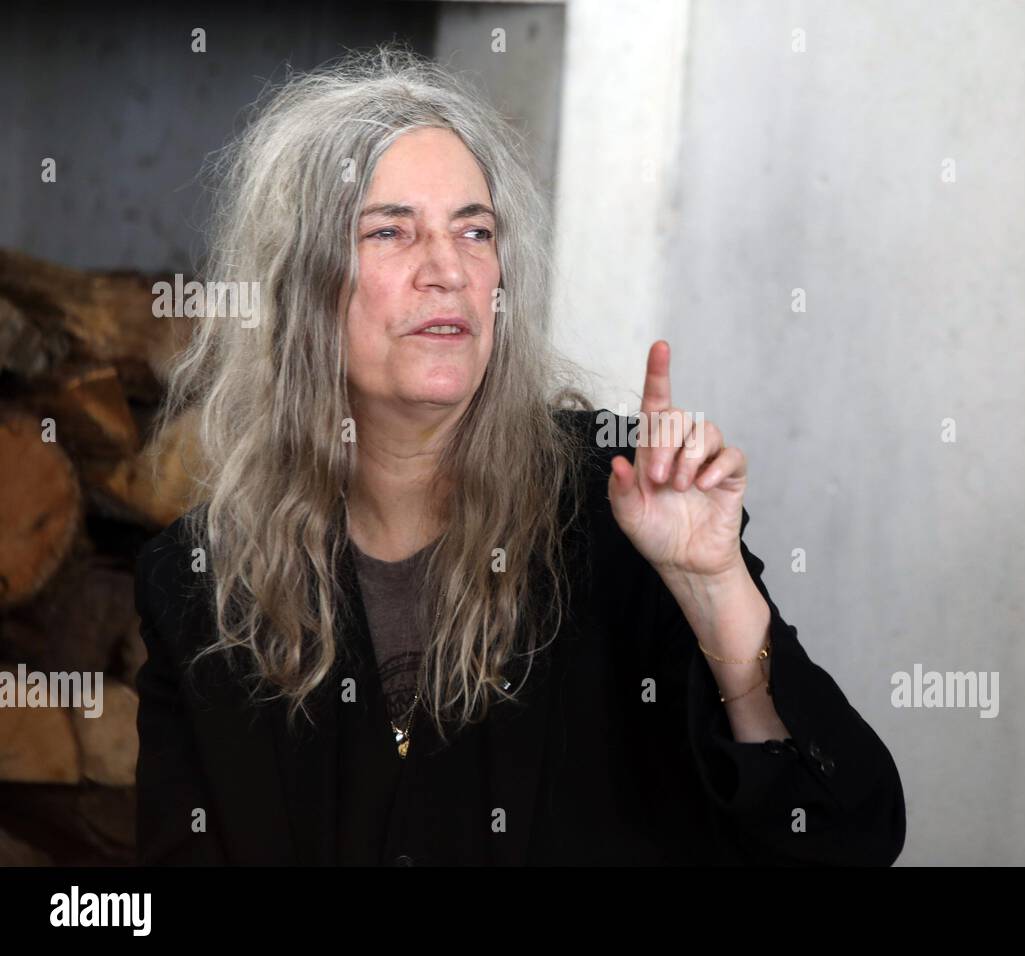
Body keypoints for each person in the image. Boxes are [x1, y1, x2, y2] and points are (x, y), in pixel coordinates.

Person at [133, 45, 905, 866]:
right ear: (300, 286)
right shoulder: (202, 581)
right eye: (390, 231)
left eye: (476, 231)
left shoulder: (623, 504)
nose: (448, 270)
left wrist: (711, 584)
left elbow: (843, 834)